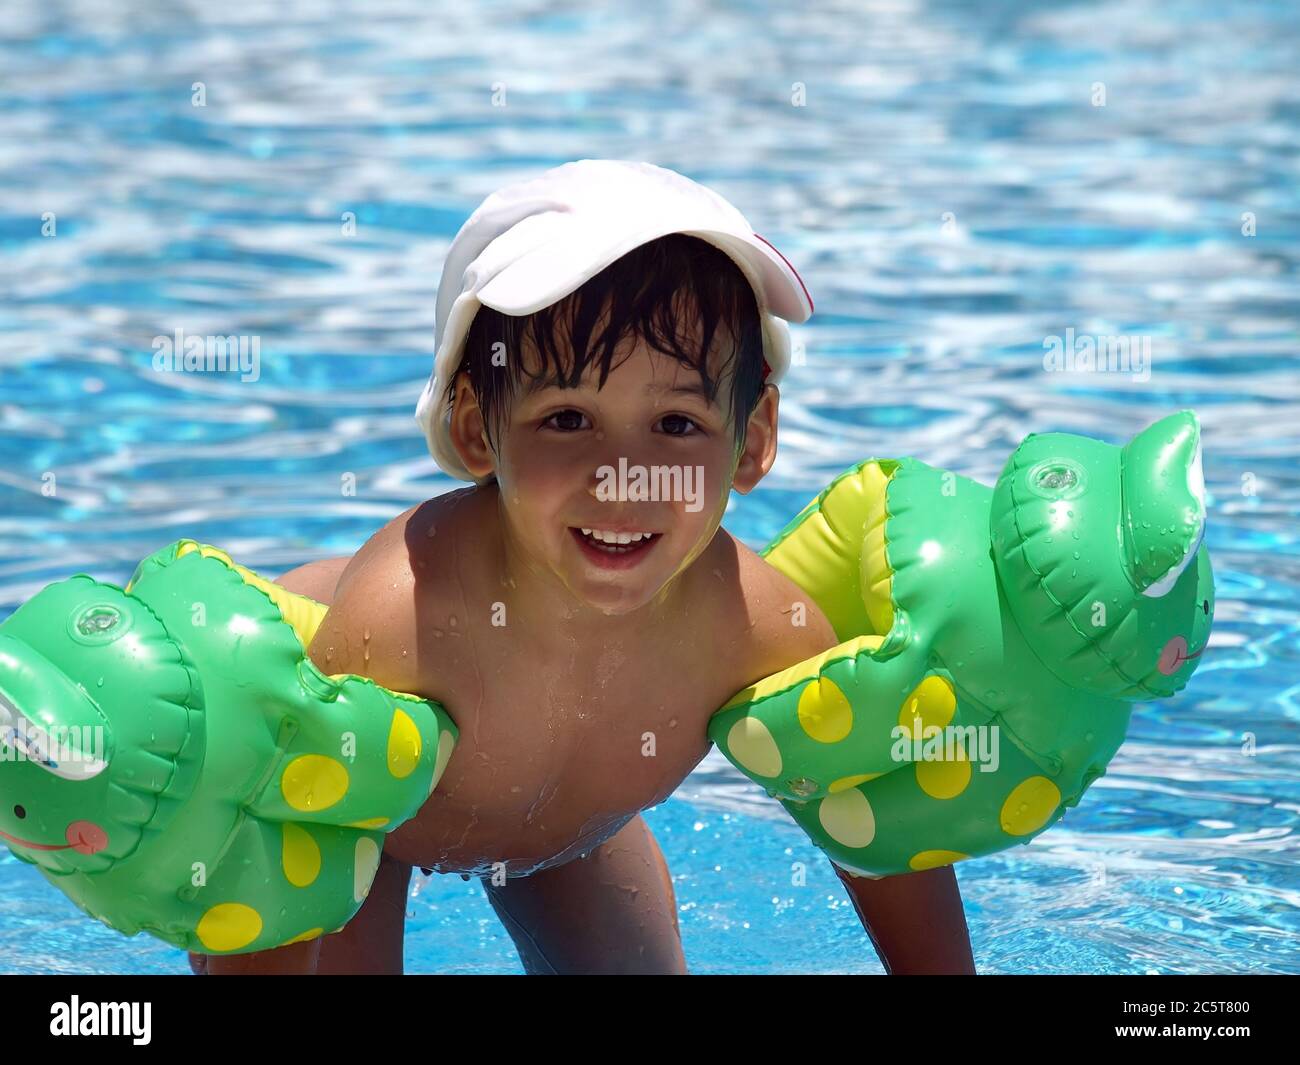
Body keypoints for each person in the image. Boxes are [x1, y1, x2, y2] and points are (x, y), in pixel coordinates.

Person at [192, 160, 975, 974]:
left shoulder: (759, 632)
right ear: (473, 431)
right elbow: (284, 856)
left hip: (565, 833)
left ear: (753, 438)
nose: (622, 476)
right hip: (334, 812)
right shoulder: (403, 623)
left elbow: (873, 821)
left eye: (676, 423)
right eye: (568, 418)